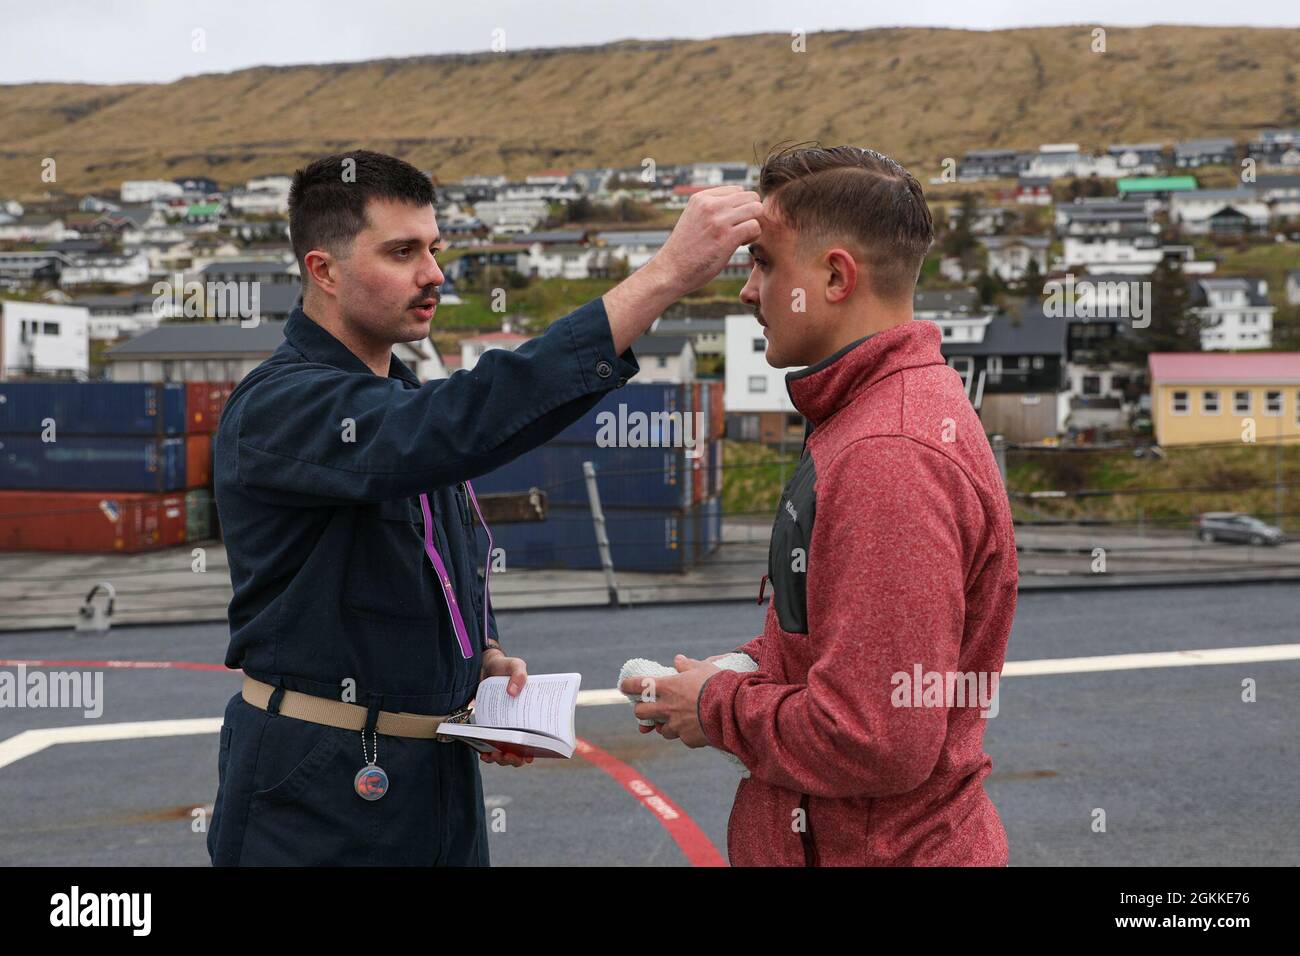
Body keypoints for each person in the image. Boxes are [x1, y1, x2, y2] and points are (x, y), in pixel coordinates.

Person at [206, 149, 760, 866]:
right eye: (402, 252)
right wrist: (666, 276)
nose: (433, 273)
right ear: (324, 270)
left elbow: (427, 548)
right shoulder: (281, 406)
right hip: (322, 788)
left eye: (433, 249)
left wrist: (479, 659)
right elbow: (462, 420)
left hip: (436, 776)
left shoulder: (399, 403)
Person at [620, 144, 1018, 866]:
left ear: (835, 276)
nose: (747, 291)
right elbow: (835, 644)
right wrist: (743, 666)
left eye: (765, 263)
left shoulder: (887, 451)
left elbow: (877, 737)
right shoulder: (869, 415)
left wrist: (713, 707)